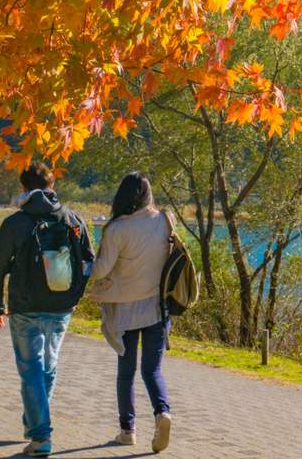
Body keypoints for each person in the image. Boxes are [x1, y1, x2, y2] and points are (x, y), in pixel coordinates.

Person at [0, 163, 95, 457]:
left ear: (24, 188)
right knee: (47, 367)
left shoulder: (15, 223)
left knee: (31, 370)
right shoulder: (73, 219)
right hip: (61, 307)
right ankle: (35, 424)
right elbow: (88, 262)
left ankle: (40, 435)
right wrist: (76, 296)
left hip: (25, 307)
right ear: (52, 183)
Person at [89, 172, 174, 452]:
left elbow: (100, 270)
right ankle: (162, 412)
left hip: (124, 311)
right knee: (153, 371)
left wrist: (85, 265)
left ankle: (128, 431)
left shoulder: (117, 229)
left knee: (126, 373)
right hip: (157, 308)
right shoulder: (165, 220)